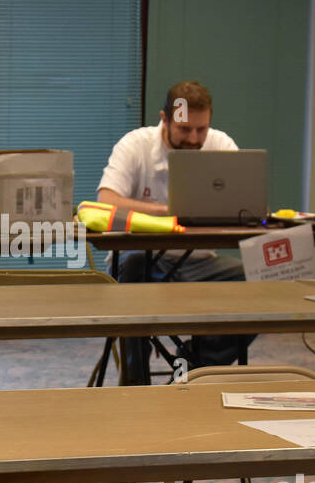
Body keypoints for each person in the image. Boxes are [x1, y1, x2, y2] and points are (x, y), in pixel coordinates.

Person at [97, 80, 252, 384]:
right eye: (185, 130)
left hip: (200, 261)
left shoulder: (220, 145)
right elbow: (106, 202)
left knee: (259, 283)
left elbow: (245, 203)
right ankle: (135, 383)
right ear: (164, 119)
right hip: (142, 260)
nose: (194, 139)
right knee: (133, 266)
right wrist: (169, 212)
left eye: (201, 130)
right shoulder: (135, 145)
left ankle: (195, 364)